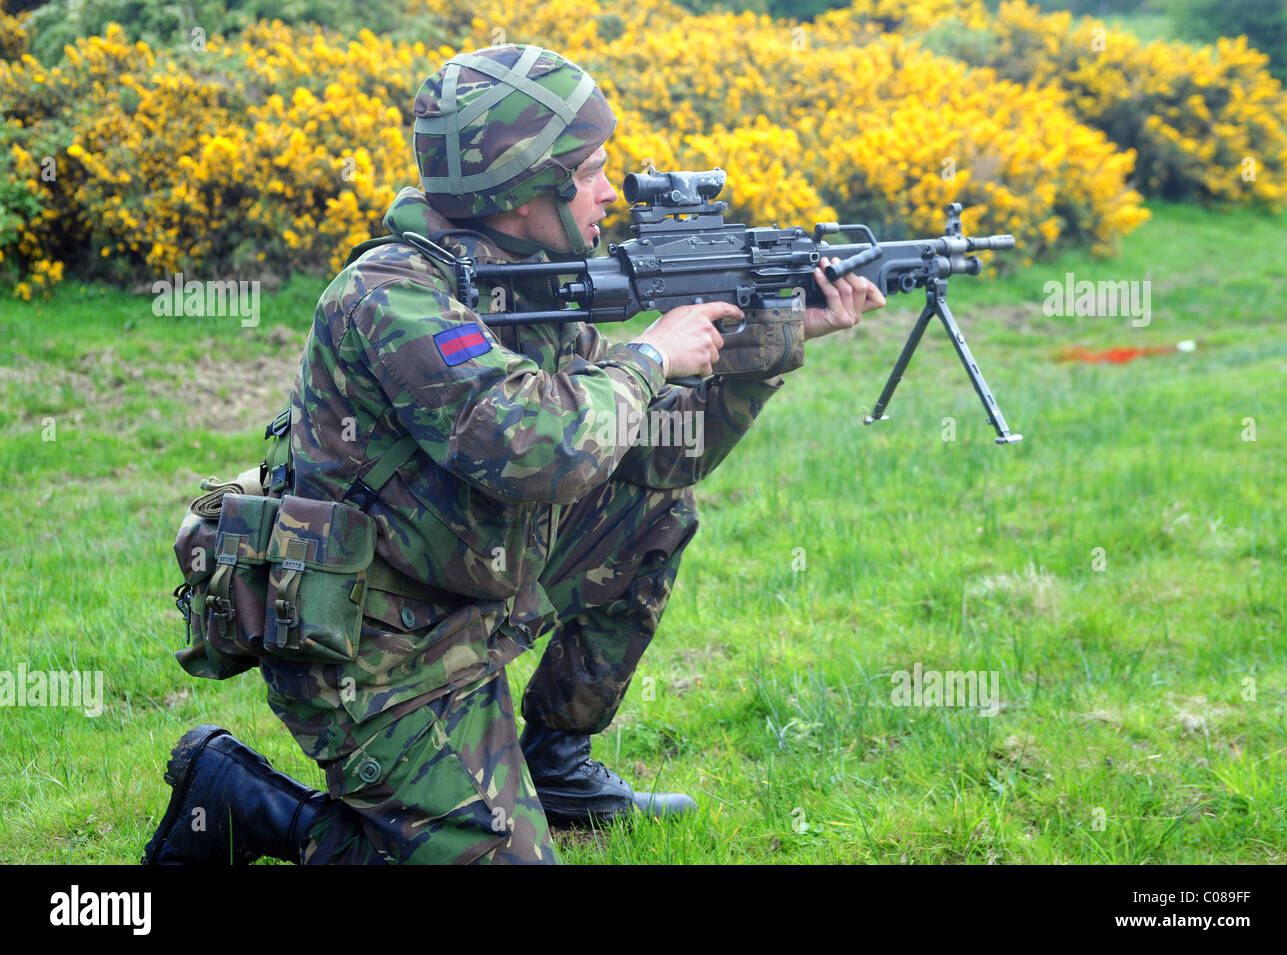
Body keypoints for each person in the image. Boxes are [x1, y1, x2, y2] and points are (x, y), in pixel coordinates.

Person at [143, 43, 884, 865]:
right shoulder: (393, 296)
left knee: (654, 509)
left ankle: (556, 766)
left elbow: (663, 456)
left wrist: (770, 342)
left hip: (467, 590)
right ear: (522, 186)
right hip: (376, 653)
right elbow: (538, 447)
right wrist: (646, 355)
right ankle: (240, 800)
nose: (610, 189)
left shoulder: (530, 283)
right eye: (590, 169)